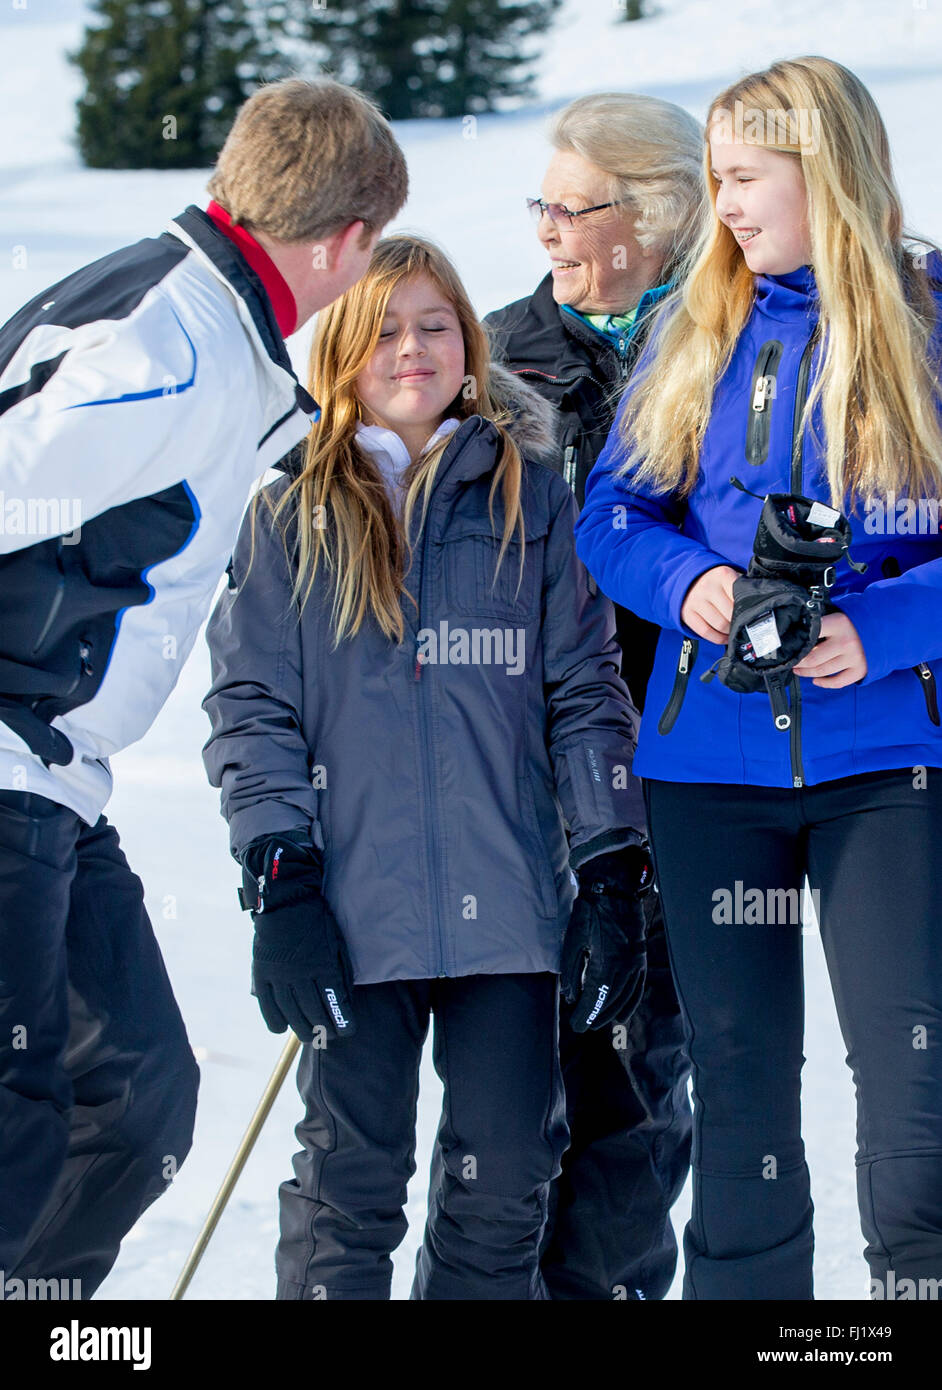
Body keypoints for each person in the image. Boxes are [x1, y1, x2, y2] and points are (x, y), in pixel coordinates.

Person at [0, 77, 407, 1297]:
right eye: (371, 252)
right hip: (9, 762)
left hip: (56, 788)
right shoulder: (169, 345)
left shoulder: (204, 322)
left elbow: (247, 441)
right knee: (20, 1118)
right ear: (343, 242)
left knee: (129, 1101)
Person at [201, 234, 651, 1300]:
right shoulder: (288, 510)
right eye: (387, 329)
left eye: (435, 325)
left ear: (469, 344)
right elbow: (251, 704)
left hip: (509, 911)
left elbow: (586, 694)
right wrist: (280, 876)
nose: (413, 349)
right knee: (350, 1182)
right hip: (353, 909)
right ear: (344, 354)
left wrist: (611, 868)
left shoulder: (530, 501)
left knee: (503, 1181)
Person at [575, 56, 942, 1300]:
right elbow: (611, 515)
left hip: (885, 766)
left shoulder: (930, 316)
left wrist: (881, 629)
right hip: (709, 769)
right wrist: (696, 587)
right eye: (718, 177)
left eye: (744, 177)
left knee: (910, 1076)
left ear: (823, 171)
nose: (722, 203)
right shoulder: (697, 325)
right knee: (740, 1093)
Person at [484, 92, 701, 1300]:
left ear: (659, 215)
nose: (550, 234)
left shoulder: (735, 352)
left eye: (576, 208)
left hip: (672, 776)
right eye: (542, 206)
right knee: (504, 1111)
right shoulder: (496, 355)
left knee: (634, 1090)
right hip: (513, 781)